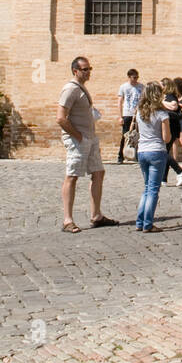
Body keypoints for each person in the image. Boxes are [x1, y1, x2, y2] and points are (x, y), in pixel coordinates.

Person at [57, 56, 119, 231]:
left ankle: (96, 215)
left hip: (89, 138)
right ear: (75, 71)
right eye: (85, 69)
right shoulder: (70, 89)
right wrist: (78, 136)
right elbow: (60, 118)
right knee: (72, 176)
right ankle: (67, 220)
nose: (88, 72)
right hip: (79, 139)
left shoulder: (81, 88)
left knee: (98, 172)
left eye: (89, 68)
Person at [134, 81, 172, 233]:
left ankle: (139, 222)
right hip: (157, 151)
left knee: (147, 188)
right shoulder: (162, 114)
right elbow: (166, 138)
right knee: (153, 190)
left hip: (142, 151)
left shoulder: (139, 112)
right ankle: (148, 224)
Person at [161, 78, 182, 185]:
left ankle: (179, 171)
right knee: (165, 152)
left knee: (163, 152)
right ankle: (163, 179)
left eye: (161, 85)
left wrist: (161, 102)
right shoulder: (166, 96)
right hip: (169, 126)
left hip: (171, 127)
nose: (160, 87)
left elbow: (174, 106)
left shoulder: (170, 95)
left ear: (165, 86)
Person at [117, 68, 143, 163]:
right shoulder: (124, 87)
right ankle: (121, 156)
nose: (136, 79)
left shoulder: (141, 87)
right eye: (134, 77)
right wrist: (120, 116)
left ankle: (137, 155)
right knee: (126, 135)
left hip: (139, 114)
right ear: (129, 77)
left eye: (137, 77)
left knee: (139, 135)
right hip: (127, 114)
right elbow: (120, 101)